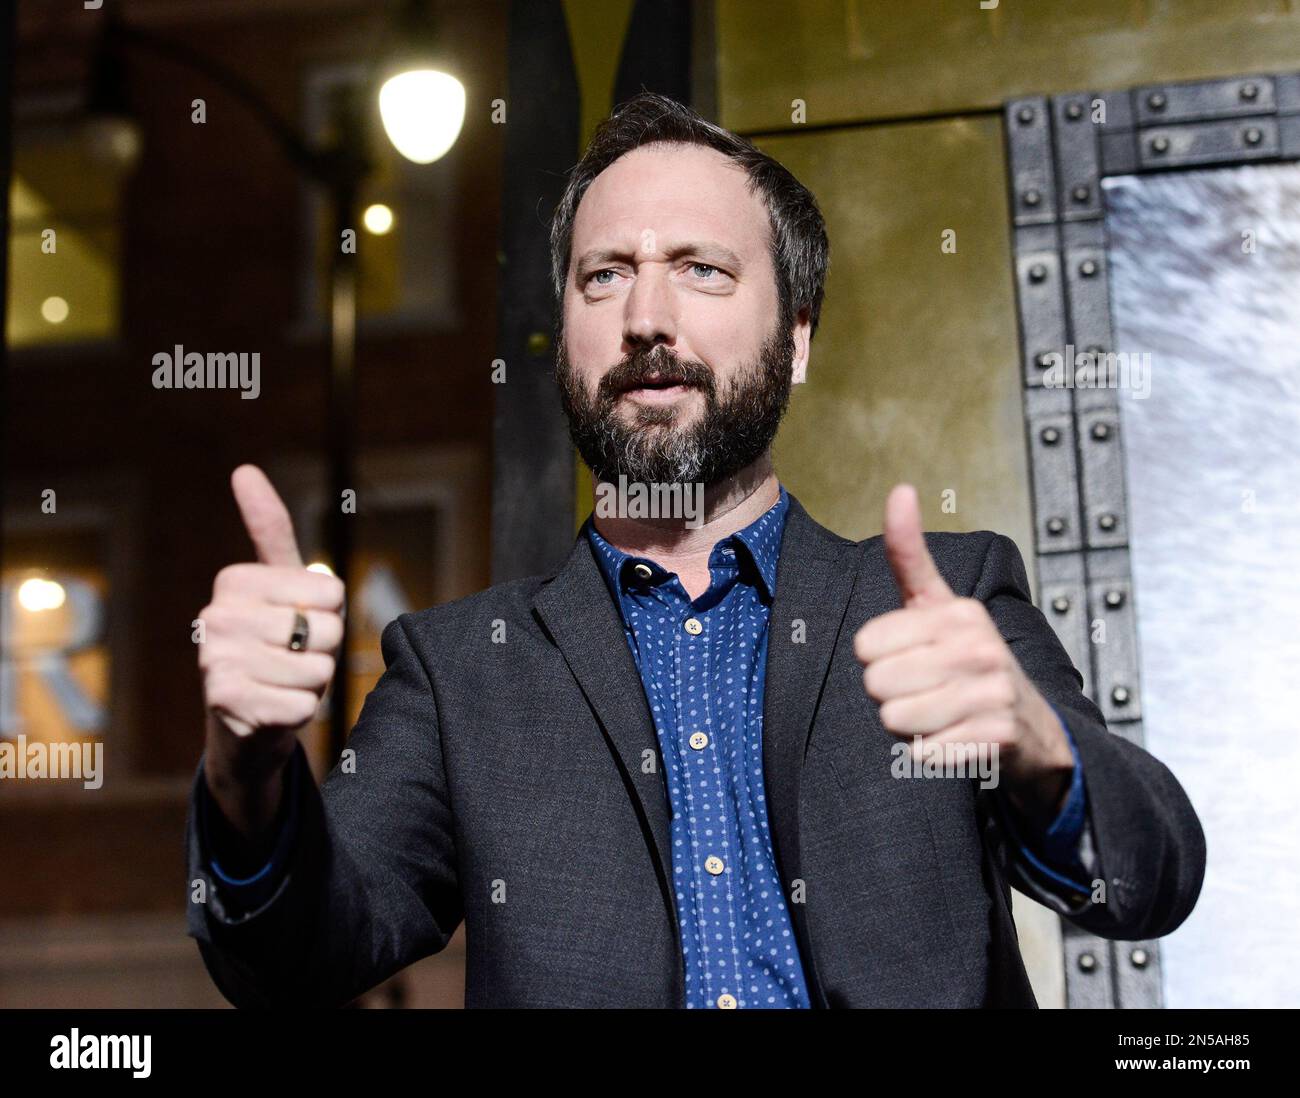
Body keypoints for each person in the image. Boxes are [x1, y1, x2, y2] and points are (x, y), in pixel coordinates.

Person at [185, 92, 1205, 1009]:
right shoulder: (457, 674)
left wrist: (1038, 748)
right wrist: (247, 775)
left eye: (701, 271)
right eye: (604, 277)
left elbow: (1151, 882)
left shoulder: (949, 602)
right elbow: (292, 961)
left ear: (796, 336)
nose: (645, 320)